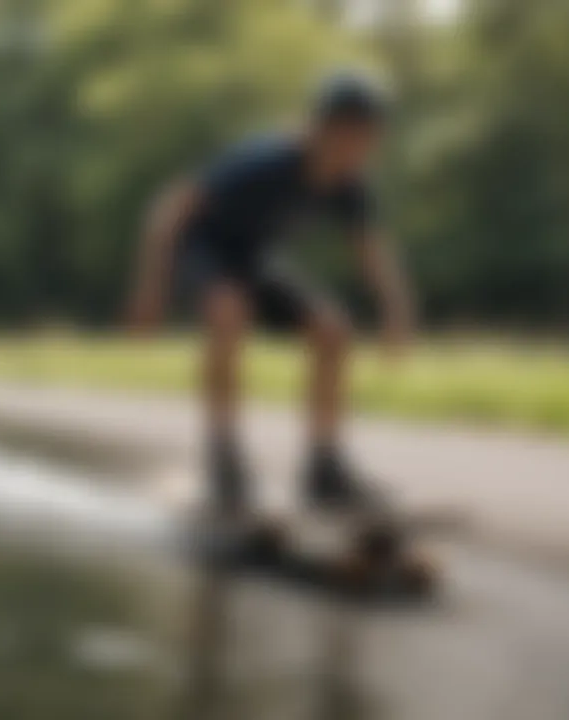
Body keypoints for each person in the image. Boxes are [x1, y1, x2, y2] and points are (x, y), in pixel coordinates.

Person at [128, 72, 415, 514]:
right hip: (201, 247)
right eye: (351, 133)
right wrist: (151, 288)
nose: (359, 147)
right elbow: (170, 208)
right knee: (229, 310)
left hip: (248, 260)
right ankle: (224, 458)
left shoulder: (350, 185)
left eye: (368, 137)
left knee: (332, 329)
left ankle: (324, 469)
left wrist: (396, 311)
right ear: (324, 128)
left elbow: (371, 253)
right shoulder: (267, 161)